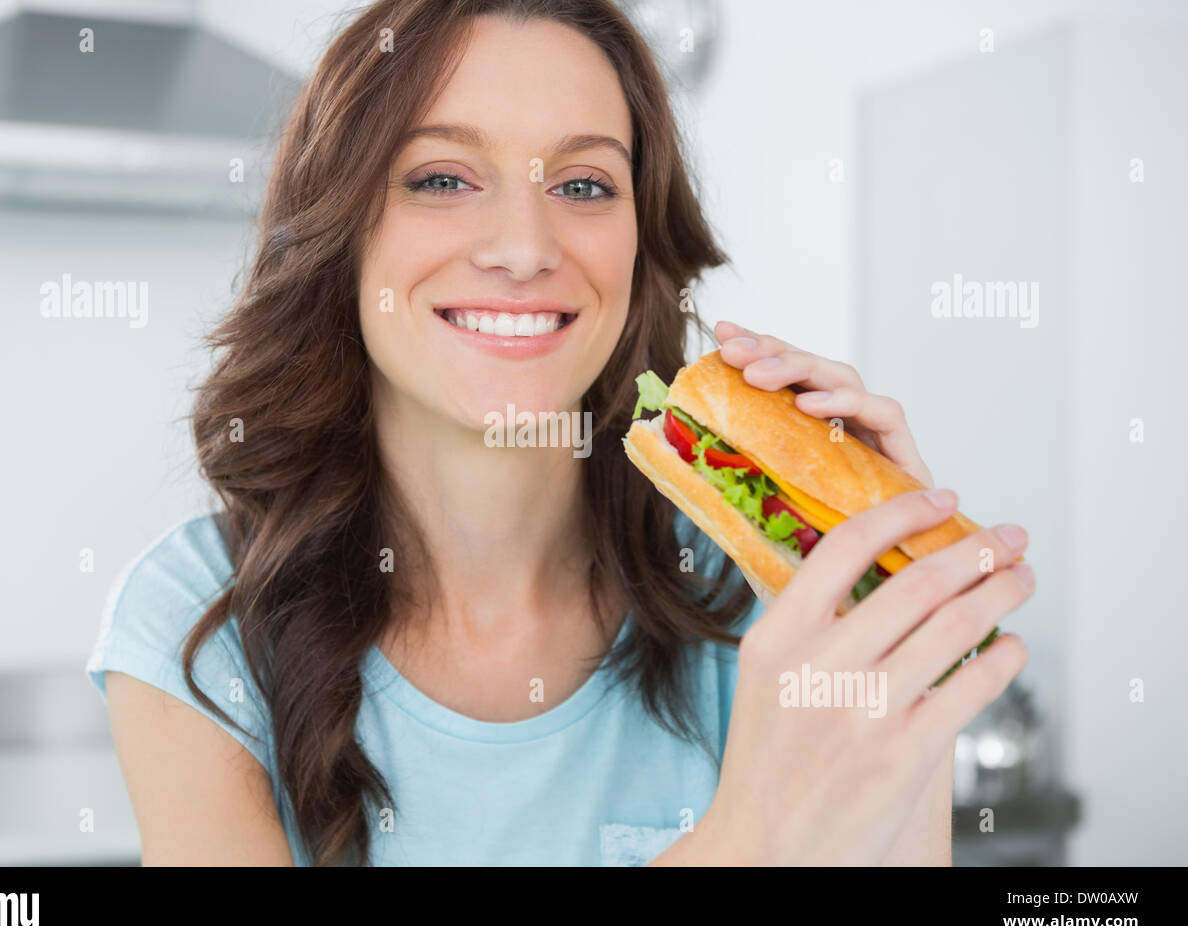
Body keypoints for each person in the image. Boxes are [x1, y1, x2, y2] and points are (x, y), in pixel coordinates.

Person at [86, 0, 1033, 866]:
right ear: (340, 232)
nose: (527, 249)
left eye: (584, 186)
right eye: (444, 177)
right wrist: (746, 838)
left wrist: (897, 611)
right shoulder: (200, 619)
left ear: (639, 243)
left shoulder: (753, 601)